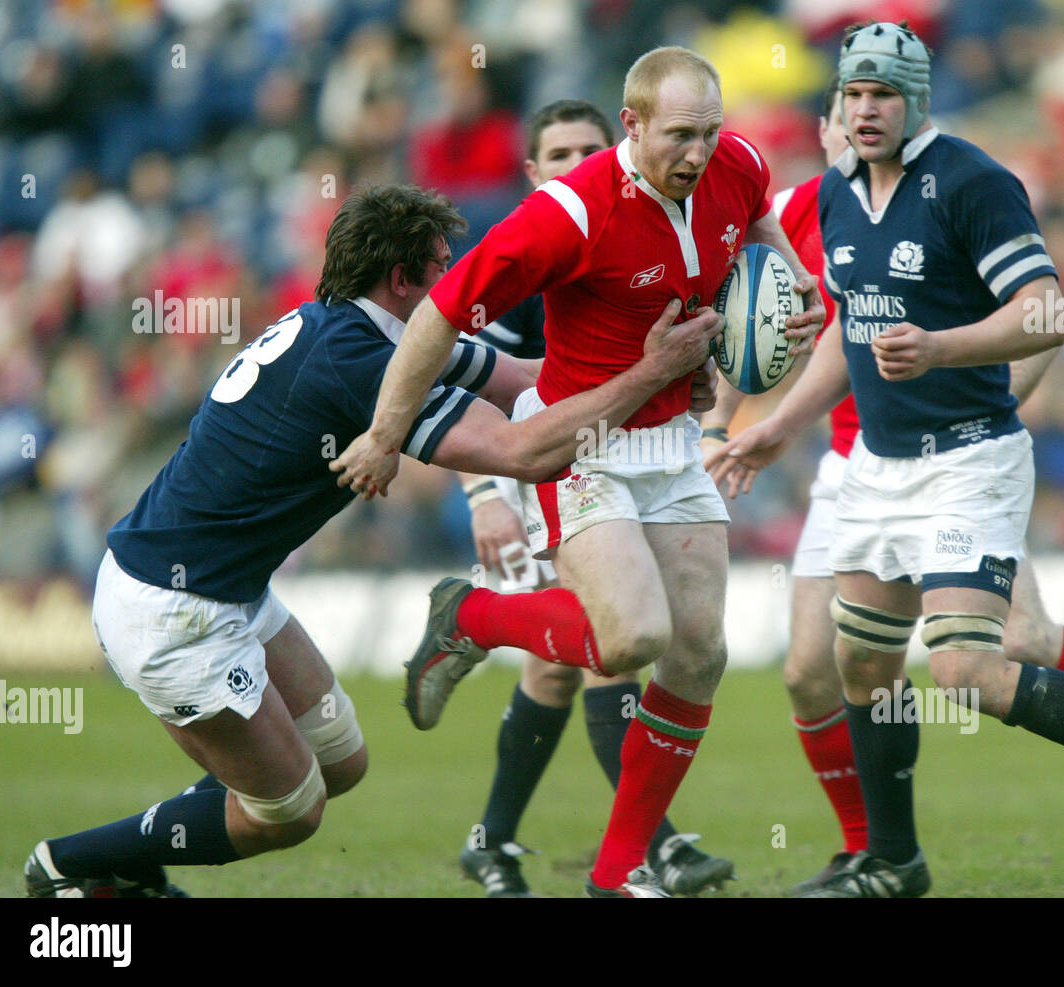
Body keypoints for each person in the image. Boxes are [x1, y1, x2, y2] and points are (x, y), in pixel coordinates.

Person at [23, 183, 721, 898]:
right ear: (401, 281)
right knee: (292, 808)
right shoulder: (360, 364)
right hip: (173, 609)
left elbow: (527, 386)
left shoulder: (370, 331)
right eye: (446, 268)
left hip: (226, 587)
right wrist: (650, 375)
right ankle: (73, 863)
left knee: (340, 758)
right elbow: (522, 449)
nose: (462, 285)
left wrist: (655, 383)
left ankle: (195, 807)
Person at [706, 21, 1064, 897]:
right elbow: (853, 325)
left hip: (967, 460)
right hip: (875, 467)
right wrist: (779, 425)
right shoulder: (839, 195)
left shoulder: (971, 181)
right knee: (863, 667)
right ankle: (893, 861)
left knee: (965, 669)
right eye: (854, 93)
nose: (866, 109)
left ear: (918, 97)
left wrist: (944, 347)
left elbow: (1046, 313)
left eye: (884, 93)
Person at [331, 47, 825, 896]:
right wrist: (384, 432)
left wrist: (797, 294)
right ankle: (476, 617)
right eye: (679, 135)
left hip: (673, 441)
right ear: (631, 126)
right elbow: (440, 316)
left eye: (709, 131)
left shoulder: (737, 164)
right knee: (632, 636)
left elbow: (765, 243)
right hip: (582, 444)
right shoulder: (570, 213)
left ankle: (615, 870)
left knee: (700, 652)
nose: (699, 152)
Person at [452, 98, 733, 898]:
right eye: (559, 152)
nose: (578, 161)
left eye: (590, 148)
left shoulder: (636, 225)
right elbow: (461, 390)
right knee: (616, 651)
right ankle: (648, 852)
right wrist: (483, 496)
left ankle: (495, 840)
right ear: (533, 172)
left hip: (626, 454)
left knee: (567, 667)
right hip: (538, 462)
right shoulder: (521, 262)